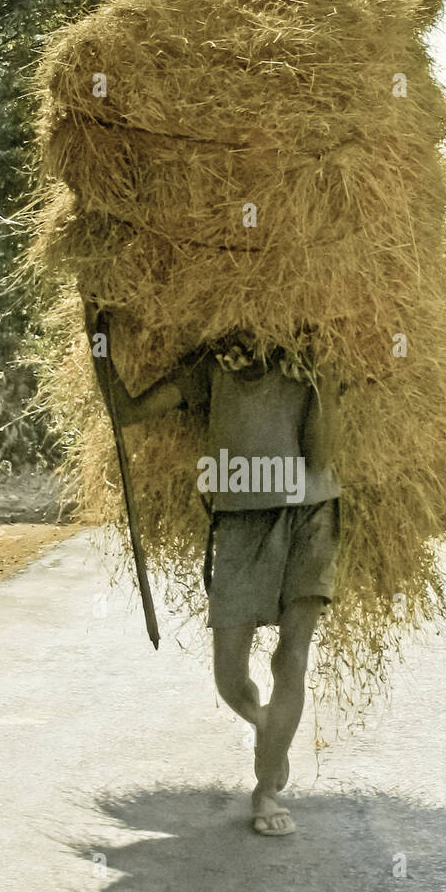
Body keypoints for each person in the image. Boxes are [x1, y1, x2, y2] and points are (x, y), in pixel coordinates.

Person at [96, 331, 342, 837]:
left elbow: (318, 459)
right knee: (229, 675)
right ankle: (264, 722)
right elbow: (125, 411)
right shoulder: (209, 367)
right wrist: (99, 340)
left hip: (310, 518)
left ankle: (266, 787)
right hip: (239, 524)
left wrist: (326, 383)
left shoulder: (306, 358)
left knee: (290, 656)